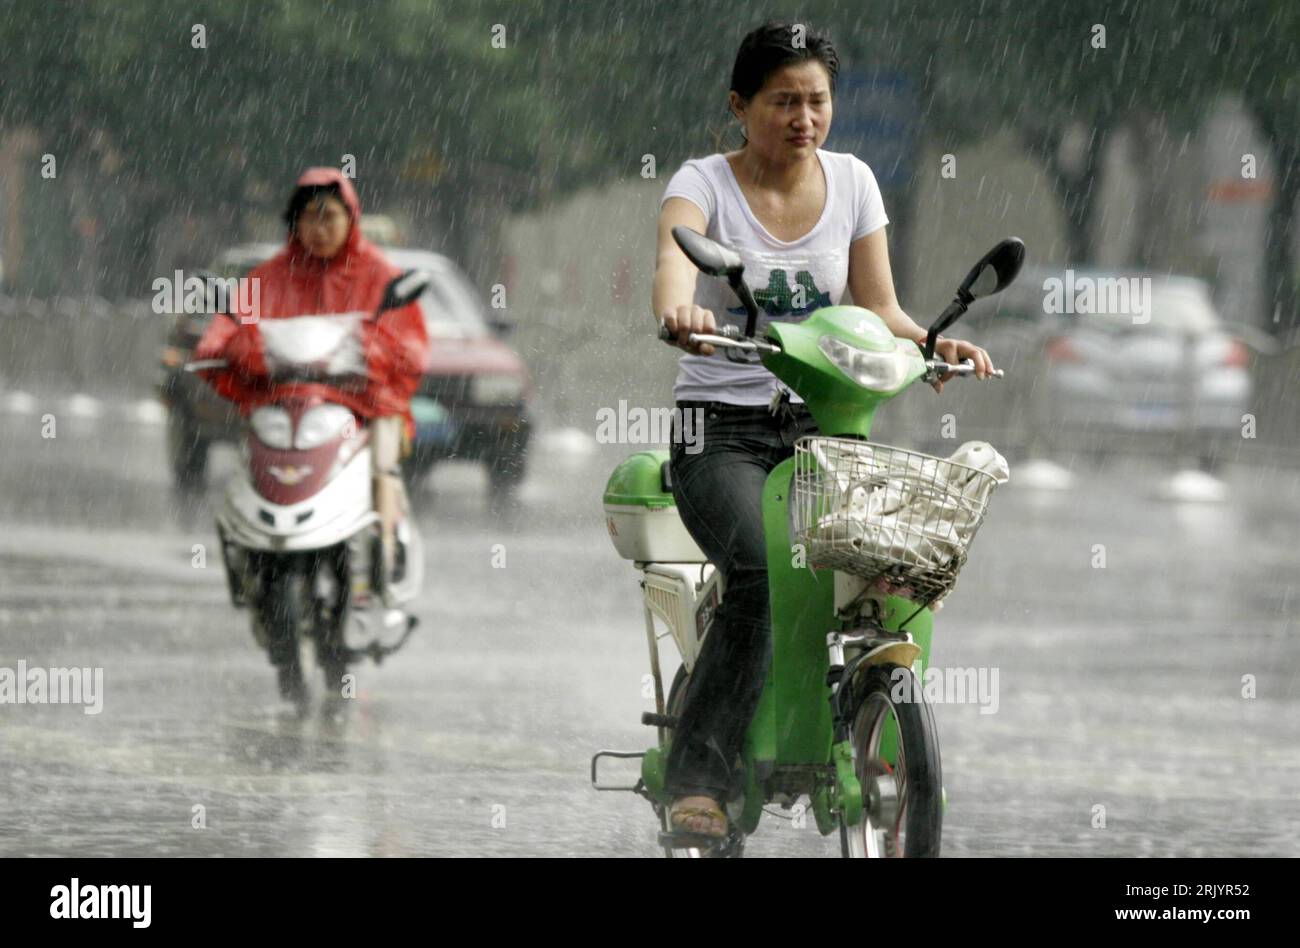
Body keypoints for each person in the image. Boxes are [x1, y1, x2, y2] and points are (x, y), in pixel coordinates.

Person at [652, 22, 996, 838]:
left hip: (828, 426)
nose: (804, 117)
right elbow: (674, 268)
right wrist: (679, 310)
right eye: (783, 101)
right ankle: (698, 774)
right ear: (741, 106)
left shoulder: (854, 182)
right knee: (766, 574)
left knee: (887, 570)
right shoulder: (702, 183)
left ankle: (851, 714)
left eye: (817, 100)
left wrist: (930, 345)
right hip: (722, 434)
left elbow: (879, 307)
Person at [194, 167, 429, 602]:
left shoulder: (379, 276)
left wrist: (373, 359)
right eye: (308, 218)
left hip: (367, 407)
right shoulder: (266, 278)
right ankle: (246, 557)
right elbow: (226, 331)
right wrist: (233, 350)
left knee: (384, 464)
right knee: (250, 460)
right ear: (293, 223)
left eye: (329, 218)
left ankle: (387, 554)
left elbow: (409, 346)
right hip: (286, 406)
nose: (318, 230)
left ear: (351, 218)